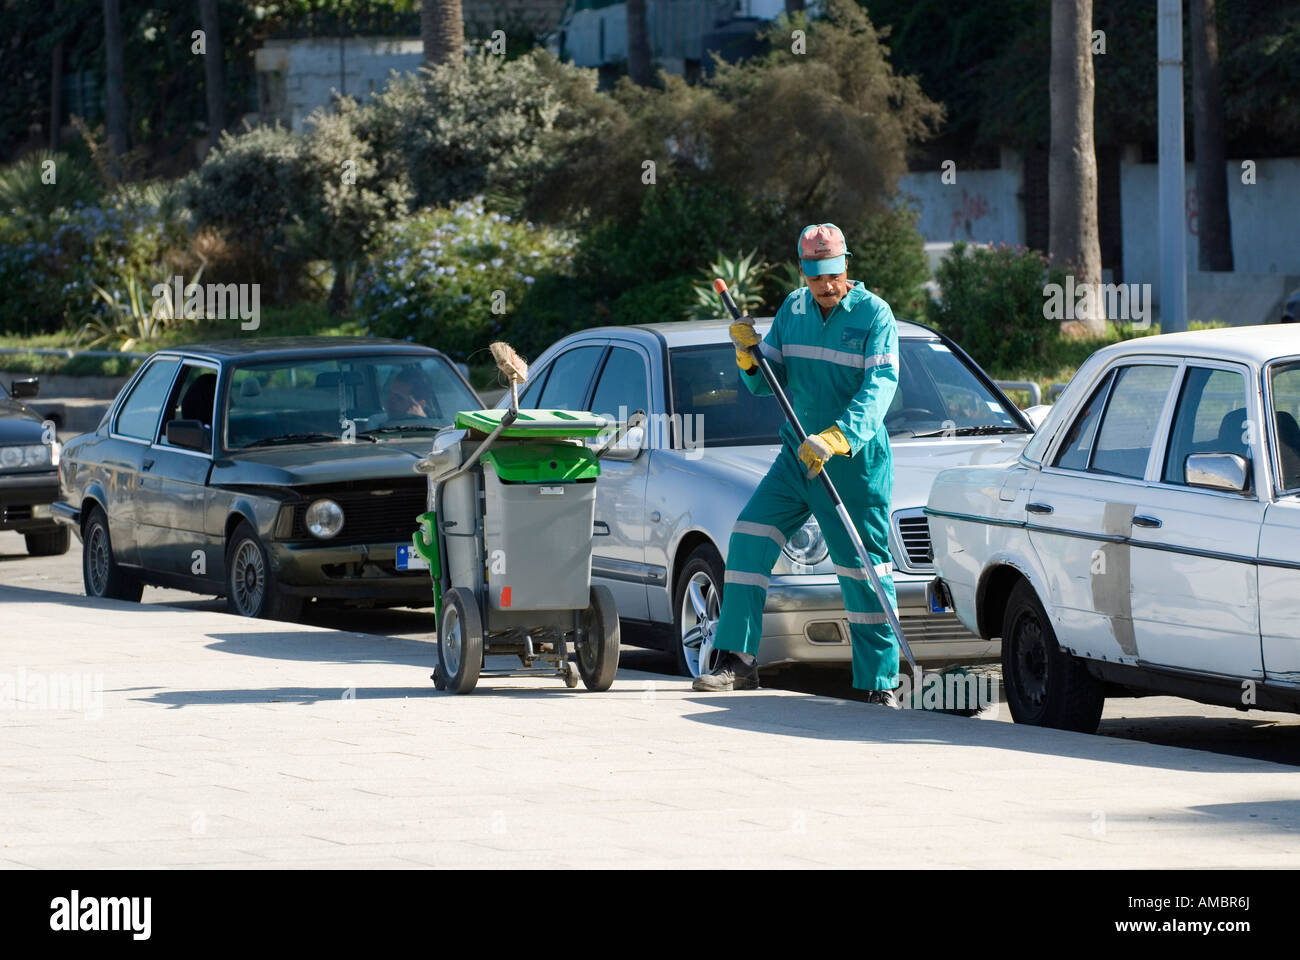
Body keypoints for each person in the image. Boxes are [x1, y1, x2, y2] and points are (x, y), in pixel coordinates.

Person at [693, 223, 903, 707]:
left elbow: (880, 388)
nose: (826, 287)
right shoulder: (793, 308)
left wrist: (838, 436)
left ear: (846, 265)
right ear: (804, 274)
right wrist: (748, 357)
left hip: (854, 462)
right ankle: (737, 663)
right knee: (748, 536)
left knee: (862, 570)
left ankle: (879, 683)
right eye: (816, 278)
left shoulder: (875, 315)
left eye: (833, 275)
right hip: (796, 458)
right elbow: (768, 382)